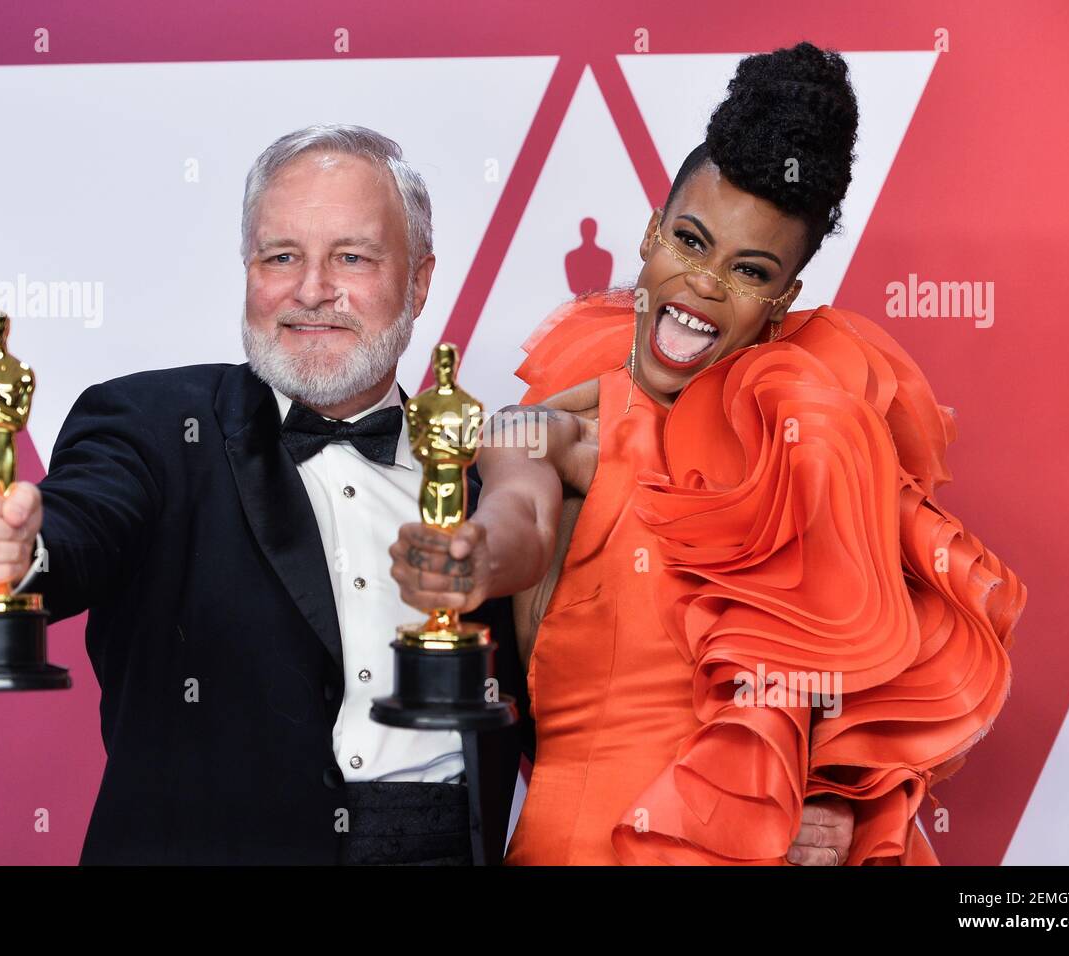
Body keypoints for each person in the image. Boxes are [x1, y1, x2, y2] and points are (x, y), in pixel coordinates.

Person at [389, 43, 1027, 865]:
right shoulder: (562, 425)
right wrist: (474, 556)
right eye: (690, 242)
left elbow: (860, 694)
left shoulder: (815, 448)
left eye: (749, 270)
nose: (705, 285)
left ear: (783, 300)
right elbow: (519, 502)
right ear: (652, 234)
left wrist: (831, 808)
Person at [0, 125, 529, 865]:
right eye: (281, 256)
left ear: (419, 281)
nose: (312, 289)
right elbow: (85, 522)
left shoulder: (490, 485)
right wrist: (16, 547)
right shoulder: (152, 426)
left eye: (352, 257)